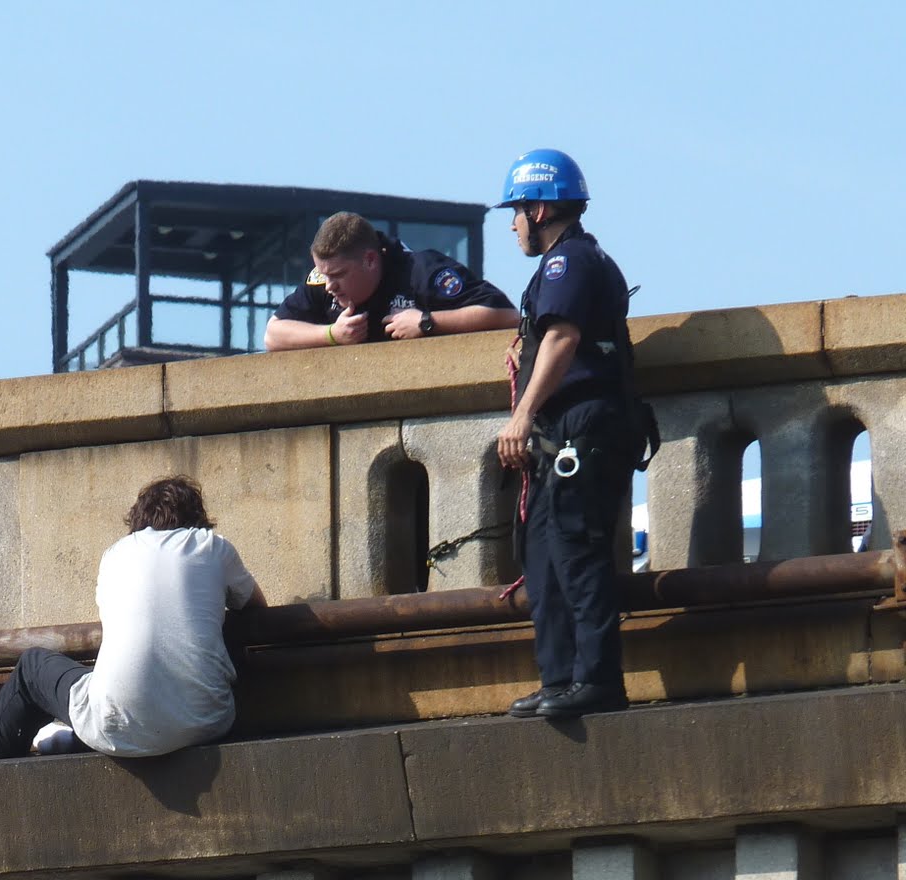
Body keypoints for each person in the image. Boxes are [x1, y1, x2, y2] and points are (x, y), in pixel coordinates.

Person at [493, 149, 653, 720]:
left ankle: (597, 678)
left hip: (583, 425)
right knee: (542, 556)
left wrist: (520, 416)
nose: (511, 224)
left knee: (576, 551)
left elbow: (560, 340)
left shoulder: (570, 263)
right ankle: (559, 678)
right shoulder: (563, 263)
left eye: (515, 211)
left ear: (539, 209)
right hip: (560, 431)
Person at [0, 475, 267, 760]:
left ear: (139, 519)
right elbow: (255, 605)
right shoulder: (214, 546)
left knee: (33, 664)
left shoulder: (115, 554)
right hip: (209, 723)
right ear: (197, 517)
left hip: (116, 730)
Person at [263, 212, 516, 351]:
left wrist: (427, 322)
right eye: (324, 274)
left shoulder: (421, 272)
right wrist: (332, 334)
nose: (330, 286)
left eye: (338, 275)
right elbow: (273, 335)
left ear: (370, 260)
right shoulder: (323, 281)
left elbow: (508, 316)